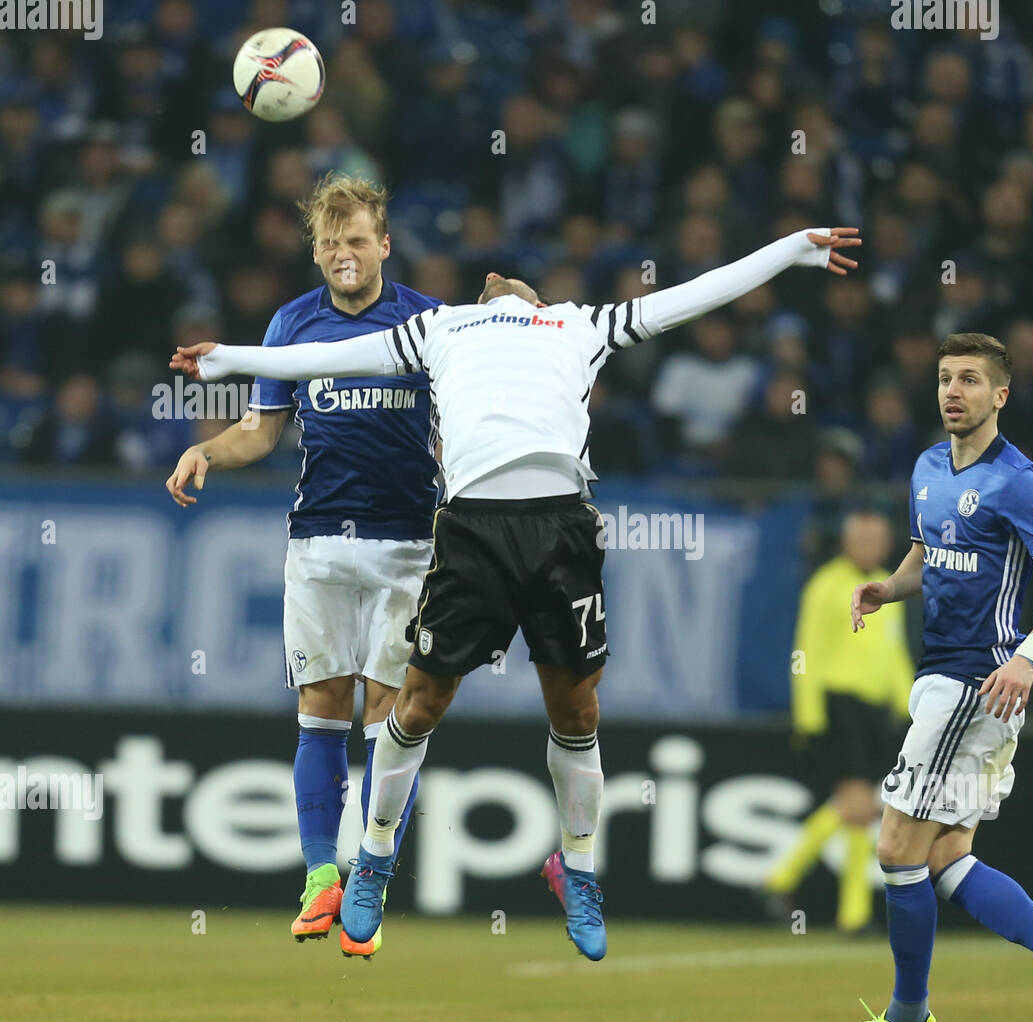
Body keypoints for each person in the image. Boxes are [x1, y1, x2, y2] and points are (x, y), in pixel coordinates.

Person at [171, 225, 862, 962]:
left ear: (538, 297)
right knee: (419, 703)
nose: (500, 276)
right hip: (469, 530)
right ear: (485, 293)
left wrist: (789, 249)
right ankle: (371, 862)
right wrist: (232, 361)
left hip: (560, 527)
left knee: (576, 709)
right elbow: (326, 357)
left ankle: (579, 868)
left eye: (514, 276)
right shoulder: (443, 328)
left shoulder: (577, 325)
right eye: (491, 276)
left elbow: (691, 297)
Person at [825, 332, 1033, 1022]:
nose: (953, 391)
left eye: (969, 380)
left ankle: (907, 1017)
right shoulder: (928, 465)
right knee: (944, 858)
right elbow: (931, 549)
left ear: (1001, 395)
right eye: (945, 378)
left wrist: (1026, 658)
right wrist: (889, 588)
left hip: (974, 683)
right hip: (944, 679)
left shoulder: (1019, 481)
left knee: (895, 846)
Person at [165, 175, 438, 959]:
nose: (343, 254)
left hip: (409, 544)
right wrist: (205, 450)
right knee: (321, 705)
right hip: (317, 540)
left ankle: (371, 875)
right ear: (315, 251)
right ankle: (323, 874)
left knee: (393, 715)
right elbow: (261, 430)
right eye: (329, 243)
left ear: (383, 244)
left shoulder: (427, 323)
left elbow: (454, 429)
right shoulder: (292, 321)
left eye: (356, 240)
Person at [765, 510, 912, 933]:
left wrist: (907, 705)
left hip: (876, 710)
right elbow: (805, 652)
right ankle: (784, 879)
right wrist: (809, 718)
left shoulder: (888, 585)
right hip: (839, 705)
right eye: (862, 539)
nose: (870, 547)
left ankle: (850, 913)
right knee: (857, 803)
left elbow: (893, 650)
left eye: (877, 539)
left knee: (860, 810)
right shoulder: (827, 586)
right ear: (847, 542)